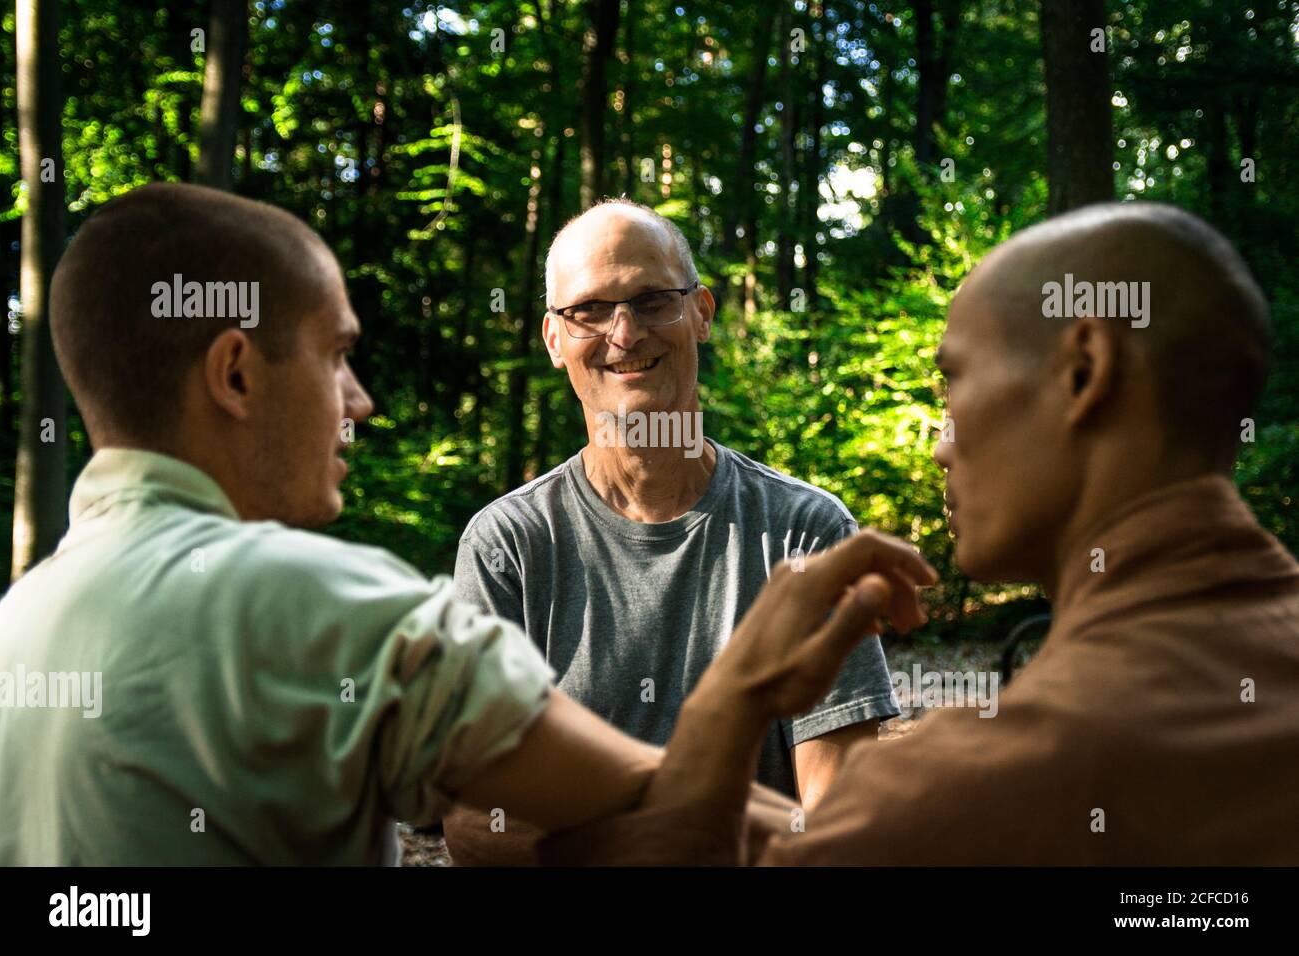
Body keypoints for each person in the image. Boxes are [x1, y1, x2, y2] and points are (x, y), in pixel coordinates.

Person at [0, 182, 934, 865]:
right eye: (337, 358)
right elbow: (674, 817)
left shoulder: (18, 625)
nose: (358, 401)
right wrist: (747, 687)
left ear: (699, 314)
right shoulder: (324, 602)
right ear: (235, 372)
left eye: (651, 300)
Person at [536, 201, 1299, 866]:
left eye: (956, 381)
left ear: (1085, 372)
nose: (940, 441)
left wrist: (732, 700)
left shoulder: (991, 781)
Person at [444, 199, 900, 864]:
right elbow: (479, 820)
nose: (624, 333)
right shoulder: (507, 546)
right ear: (552, 339)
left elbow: (835, 817)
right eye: (590, 310)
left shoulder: (803, 530)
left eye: (654, 299)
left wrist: (626, 822)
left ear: (702, 314)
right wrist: (701, 816)